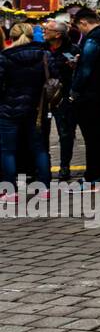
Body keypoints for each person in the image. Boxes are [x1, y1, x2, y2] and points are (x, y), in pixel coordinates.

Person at [0, 23, 58, 200]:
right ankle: (45, 188)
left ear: (13, 37)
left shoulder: (6, 57)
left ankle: (10, 191)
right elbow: (54, 78)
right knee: (39, 148)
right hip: (37, 108)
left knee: (8, 150)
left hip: (9, 109)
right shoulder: (45, 55)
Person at [66, 9, 100, 189]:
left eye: (78, 26)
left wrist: (74, 91)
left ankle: (93, 177)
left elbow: (86, 69)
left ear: (83, 23)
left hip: (91, 95)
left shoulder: (94, 39)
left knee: (93, 137)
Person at [41, 21, 80, 183]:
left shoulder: (73, 50)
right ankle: (43, 168)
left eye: (47, 30)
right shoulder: (41, 49)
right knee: (41, 135)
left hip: (63, 98)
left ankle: (65, 166)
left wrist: (74, 67)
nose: (44, 31)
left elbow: (78, 75)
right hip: (42, 98)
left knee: (65, 134)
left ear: (58, 34)